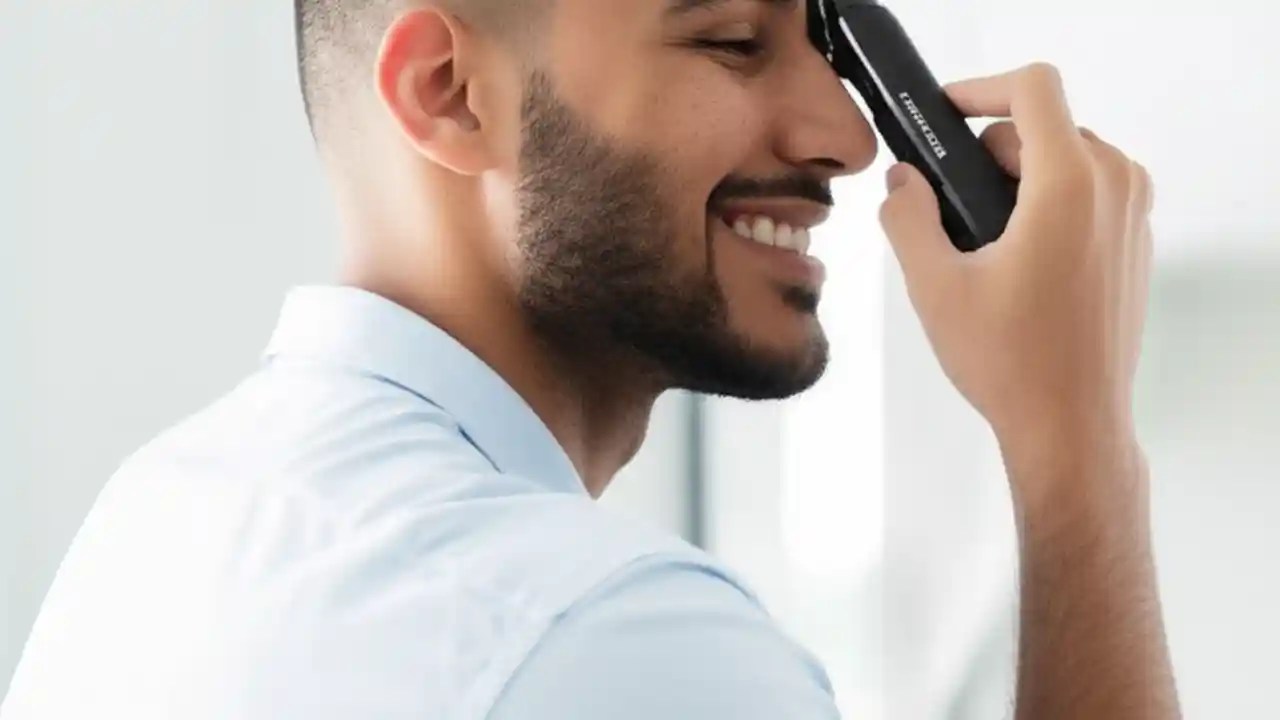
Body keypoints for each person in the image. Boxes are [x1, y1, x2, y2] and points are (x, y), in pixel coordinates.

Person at [0, 0, 1180, 718]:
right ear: (449, 93)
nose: (841, 135)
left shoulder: (163, 516)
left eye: (822, 46)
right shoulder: (602, 637)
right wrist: (1074, 459)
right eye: (729, 41)